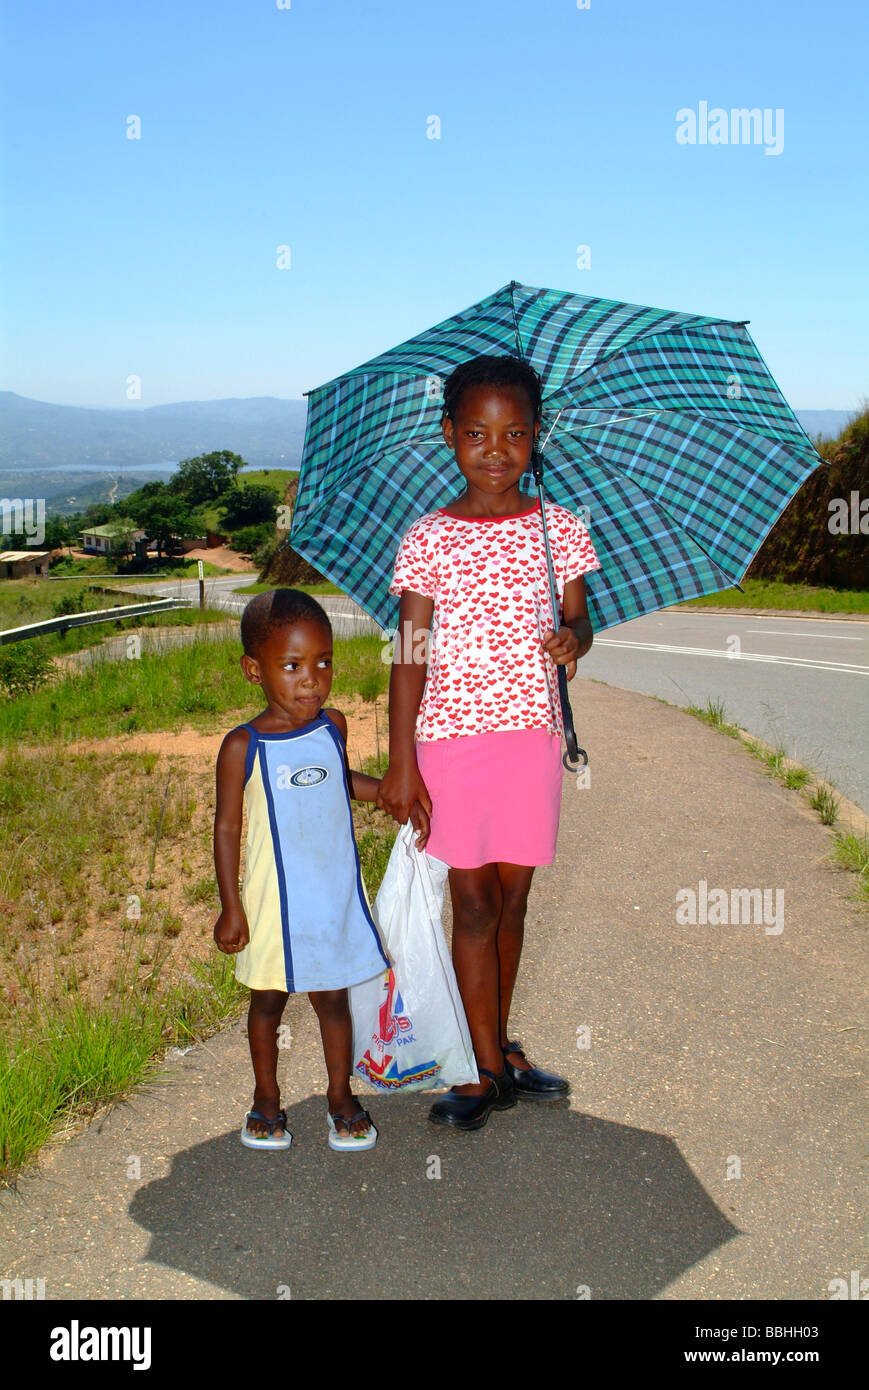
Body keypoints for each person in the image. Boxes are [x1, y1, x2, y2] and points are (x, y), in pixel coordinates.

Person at [377, 355, 601, 1131]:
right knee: (471, 903)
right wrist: (401, 761)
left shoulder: (558, 529)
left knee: (512, 902)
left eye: (513, 433)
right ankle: (477, 1072)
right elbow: (409, 653)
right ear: (449, 434)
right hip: (449, 744)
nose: (495, 450)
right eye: (476, 433)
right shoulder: (428, 538)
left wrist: (573, 641)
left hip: (529, 740)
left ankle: (498, 1045)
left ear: (537, 435)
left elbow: (579, 619)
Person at [213, 588, 425, 1151]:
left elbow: (339, 780)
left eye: (323, 662)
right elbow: (227, 828)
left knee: (332, 1000)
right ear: (253, 670)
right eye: (292, 666)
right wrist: (231, 907)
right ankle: (266, 1099)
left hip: (332, 898)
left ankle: (340, 1097)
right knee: (267, 1002)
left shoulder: (333, 725)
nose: (312, 680)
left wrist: (389, 794)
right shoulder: (243, 746)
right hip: (273, 907)